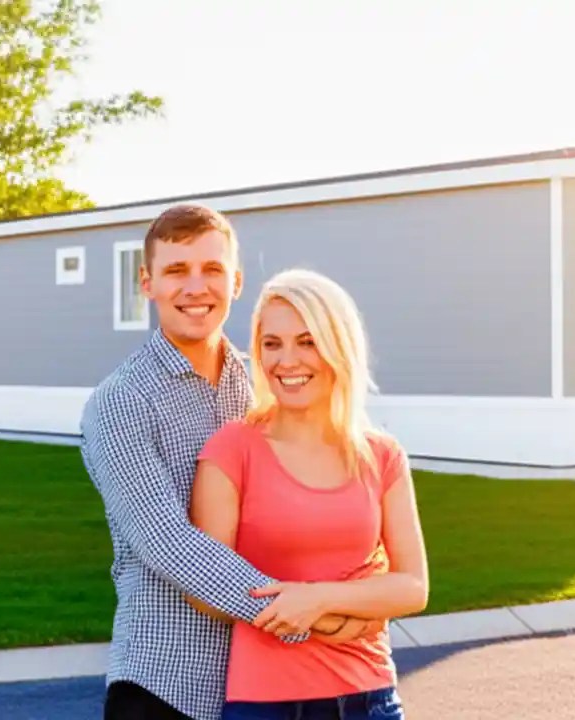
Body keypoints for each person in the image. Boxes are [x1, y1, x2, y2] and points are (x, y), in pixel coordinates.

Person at [80, 205, 377, 720]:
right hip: (164, 685)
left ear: (236, 282)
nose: (196, 287)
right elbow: (171, 546)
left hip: (267, 687)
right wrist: (320, 615)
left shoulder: (264, 383)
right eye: (176, 271)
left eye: (212, 269)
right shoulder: (119, 403)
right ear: (147, 283)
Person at [187, 268, 429, 719]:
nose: (287, 361)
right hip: (266, 704)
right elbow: (205, 587)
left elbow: (413, 586)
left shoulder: (382, 454)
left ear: (338, 346)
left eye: (307, 341)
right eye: (272, 344)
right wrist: (335, 613)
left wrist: (317, 599)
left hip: (371, 698)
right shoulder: (231, 449)